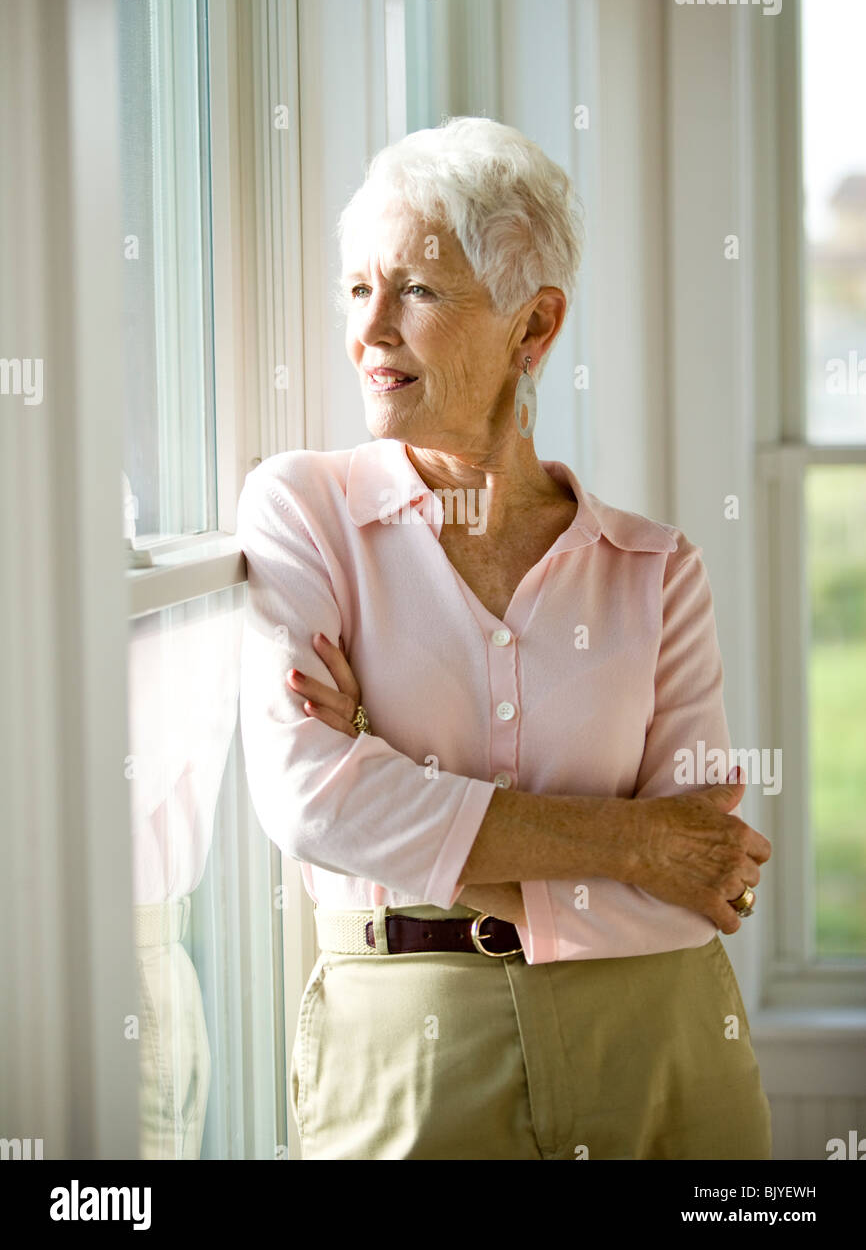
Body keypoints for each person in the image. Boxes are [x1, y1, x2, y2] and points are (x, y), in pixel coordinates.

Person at [237, 116, 772, 1160]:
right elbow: (309, 800)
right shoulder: (305, 508)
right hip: (404, 1048)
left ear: (534, 329)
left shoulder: (654, 569)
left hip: (655, 1031)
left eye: (419, 292)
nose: (371, 329)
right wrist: (631, 844)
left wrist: (394, 790)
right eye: (358, 289)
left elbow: (702, 884)